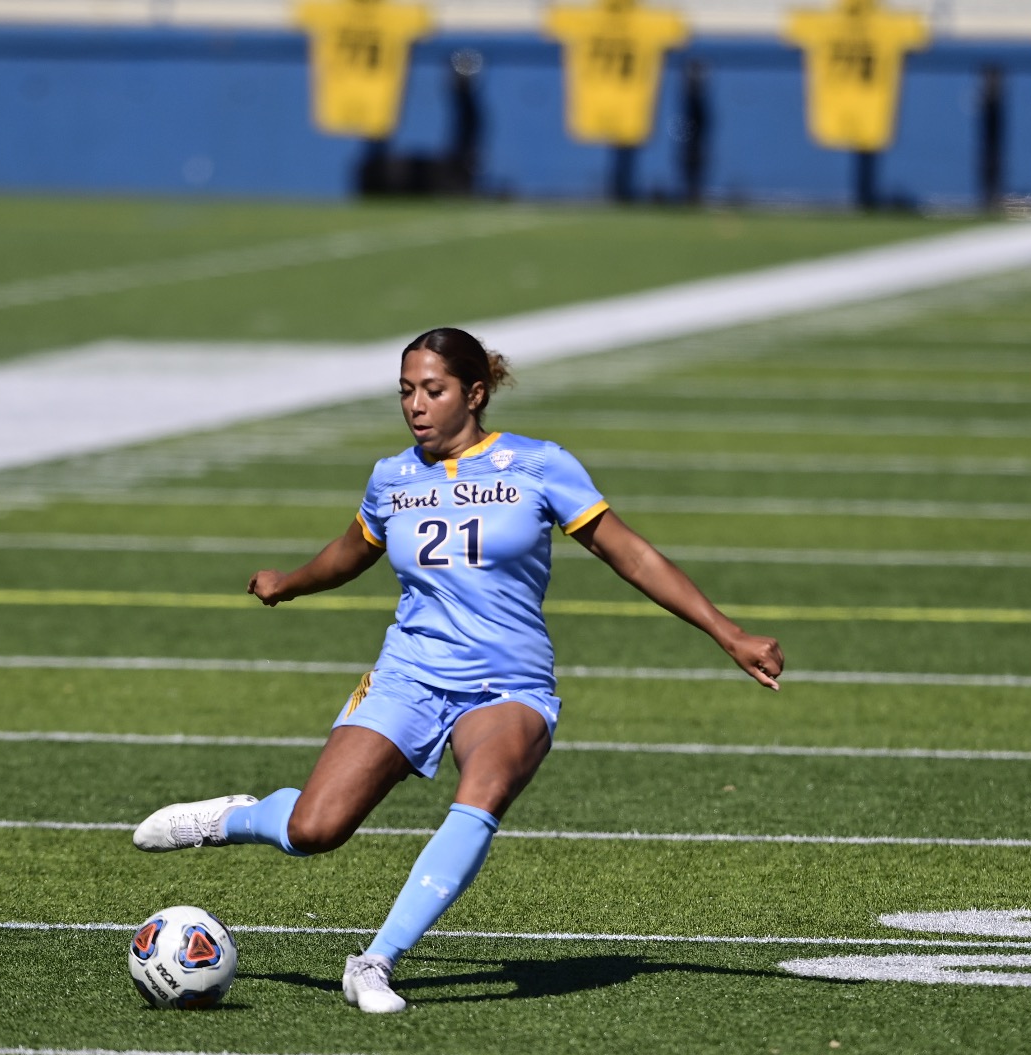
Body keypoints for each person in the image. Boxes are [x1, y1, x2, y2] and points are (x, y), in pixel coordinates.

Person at [133, 327, 784, 1013]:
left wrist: (728, 632)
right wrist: (288, 582)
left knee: (485, 787)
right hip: (408, 675)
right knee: (313, 831)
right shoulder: (393, 477)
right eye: (406, 391)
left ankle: (375, 961)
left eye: (433, 390)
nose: (416, 405)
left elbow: (634, 555)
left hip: (508, 684)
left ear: (474, 394)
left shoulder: (538, 464)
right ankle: (233, 818)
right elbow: (351, 552)